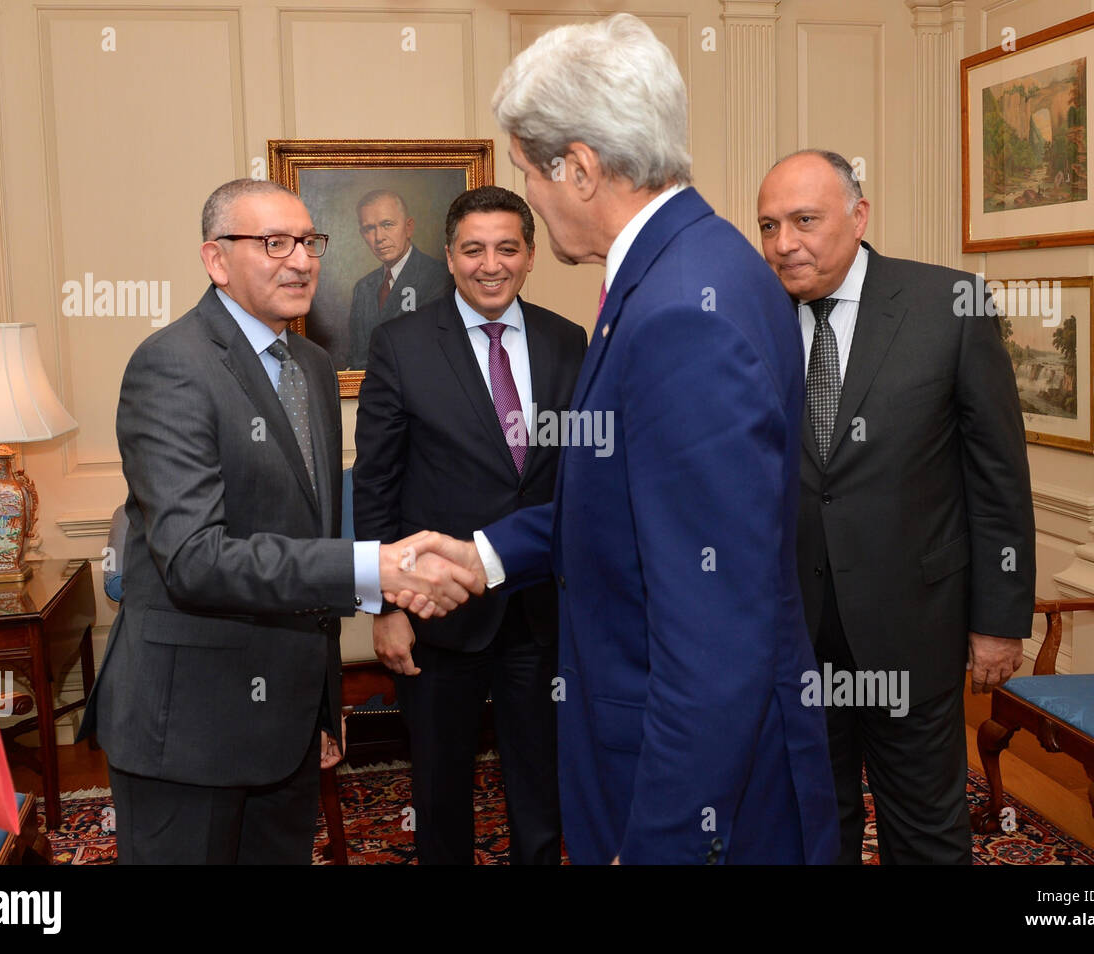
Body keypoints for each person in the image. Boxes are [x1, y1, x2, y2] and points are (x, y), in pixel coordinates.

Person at [396, 14, 838, 865]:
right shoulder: (686, 269)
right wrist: (485, 554)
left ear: (582, 167)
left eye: (529, 173)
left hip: (683, 784)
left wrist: (663, 843)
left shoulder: (680, 312)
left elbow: (712, 639)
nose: (531, 194)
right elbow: (631, 507)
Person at [80, 178, 481, 864]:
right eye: (274, 243)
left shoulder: (313, 367)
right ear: (216, 260)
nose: (301, 260)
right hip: (191, 730)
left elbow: (307, 536)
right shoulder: (171, 366)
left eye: (309, 241)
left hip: (288, 726)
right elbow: (195, 559)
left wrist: (323, 709)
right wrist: (371, 567)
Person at [756, 150, 1036, 864]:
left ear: (859, 216)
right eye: (768, 225)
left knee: (925, 826)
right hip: (796, 631)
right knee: (816, 817)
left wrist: (998, 623)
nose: (785, 243)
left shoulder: (949, 305)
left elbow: (998, 477)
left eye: (804, 221)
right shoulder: (749, 320)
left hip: (915, 626)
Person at [354, 185, 585, 865]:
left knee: (543, 781)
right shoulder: (399, 344)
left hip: (541, 609)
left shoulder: (565, 341)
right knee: (441, 786)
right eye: (474, 249)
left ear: (531, 255)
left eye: (507, 248)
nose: (492, 264)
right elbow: (375, 487)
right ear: (449, 258)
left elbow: (577, 479)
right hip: (435, 610)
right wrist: (386, 607)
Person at [345, 189, 453, 370]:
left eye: (387, 224)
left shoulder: (439, 277)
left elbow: (425, 350)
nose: (379, 237)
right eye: (369, 228)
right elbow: (355, 354)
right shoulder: (363, 287)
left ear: (408, 227)